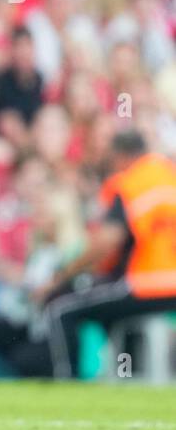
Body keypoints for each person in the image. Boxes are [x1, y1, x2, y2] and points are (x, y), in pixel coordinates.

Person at [36, 130, 176, 378]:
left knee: (60, 308)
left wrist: (64, 275)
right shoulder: (169, 177)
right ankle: (124, 375)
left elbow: (107, 241)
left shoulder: (132, 184)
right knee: (104, 305)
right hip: (170, 287)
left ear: (122, 157)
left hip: (144, 285)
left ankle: (68, 388)